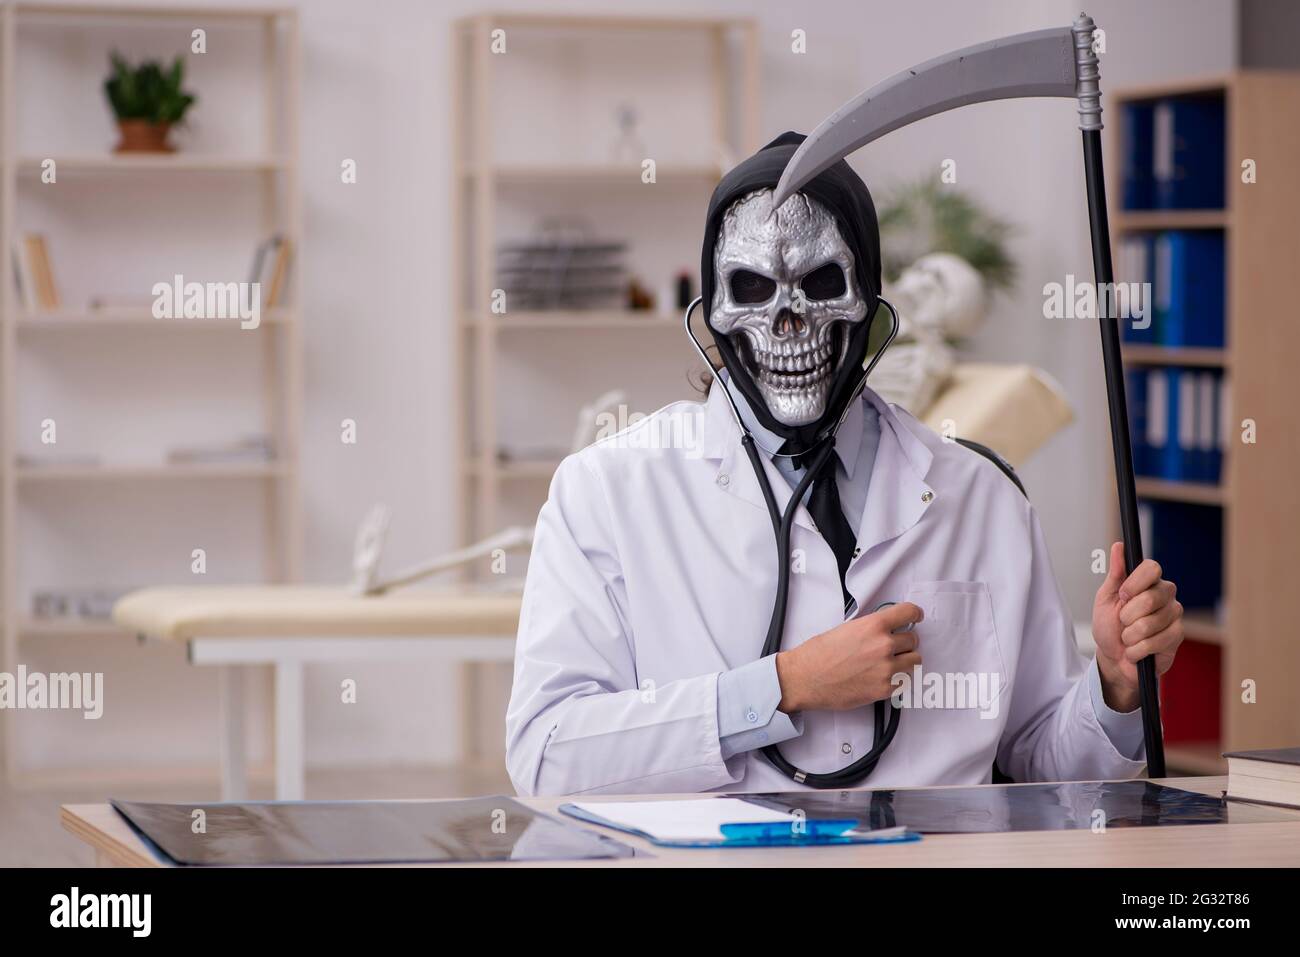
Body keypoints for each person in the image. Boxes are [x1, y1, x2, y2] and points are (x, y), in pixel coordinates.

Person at [505, 133, 1184, 797]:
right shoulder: (606, 489)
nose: (790, 323)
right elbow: (548, 751)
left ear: (868, 305)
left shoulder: (980, 495)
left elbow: (1045, 764)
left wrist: (1115, 687)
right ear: (714, 312)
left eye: (822, 283)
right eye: (752, 289)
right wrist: (783, 685)